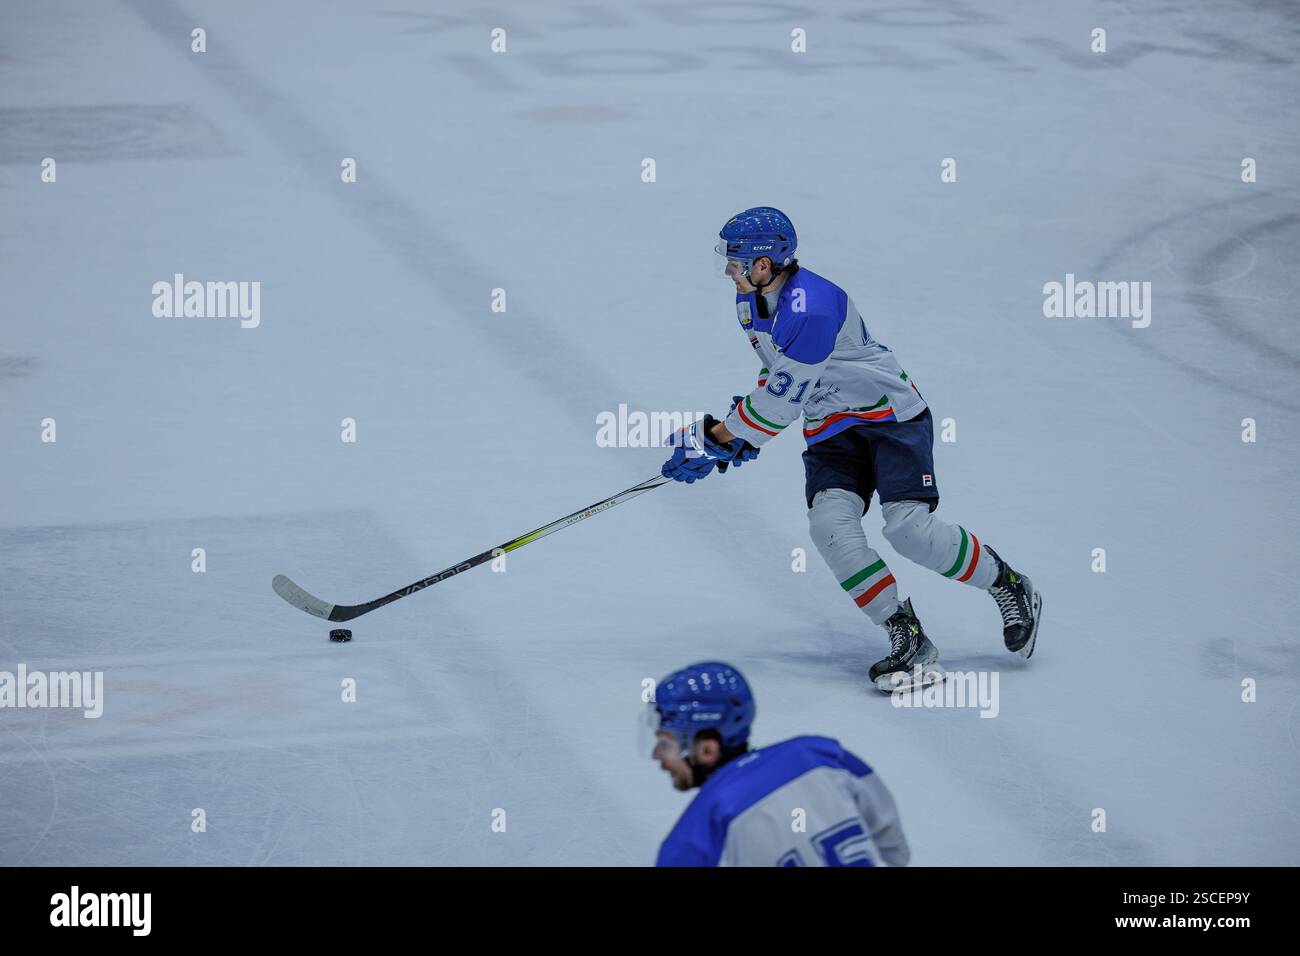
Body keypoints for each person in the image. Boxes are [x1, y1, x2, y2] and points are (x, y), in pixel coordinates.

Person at [661, 207, 1041, 690]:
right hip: (831, 428)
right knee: (829, 528)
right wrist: (738, 432)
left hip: (890, 419)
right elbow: (777, 375)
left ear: (763, 265)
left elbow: (781, 400)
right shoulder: (749, 304)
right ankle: (906, 634)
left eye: (735, 263)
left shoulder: (812, 307)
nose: (728, 272)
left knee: (908, 531)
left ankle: (1007, 584)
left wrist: (718, 438)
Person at [649, 661, 909, 866]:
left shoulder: (696, 830)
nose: (656, 757)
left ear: (707, 748)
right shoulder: (819, 754)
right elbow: (895, 850)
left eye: (666, 746)